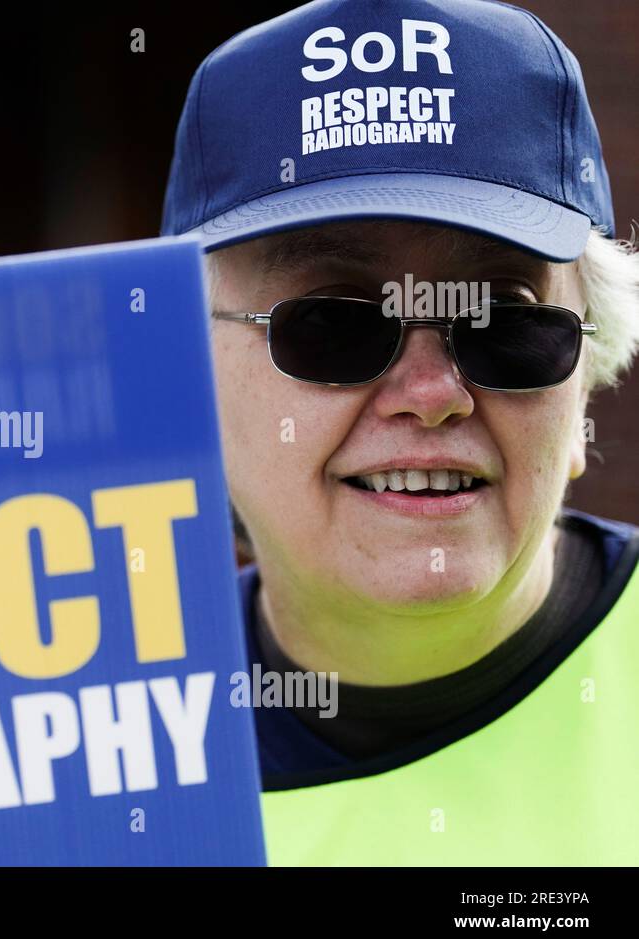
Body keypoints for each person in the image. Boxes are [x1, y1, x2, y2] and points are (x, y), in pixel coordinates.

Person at [161, 0, 639, 864]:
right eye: (332, 326)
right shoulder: (63, 761)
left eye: (502, 320)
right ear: (189, 371)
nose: (430, 395)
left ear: (585, 385)